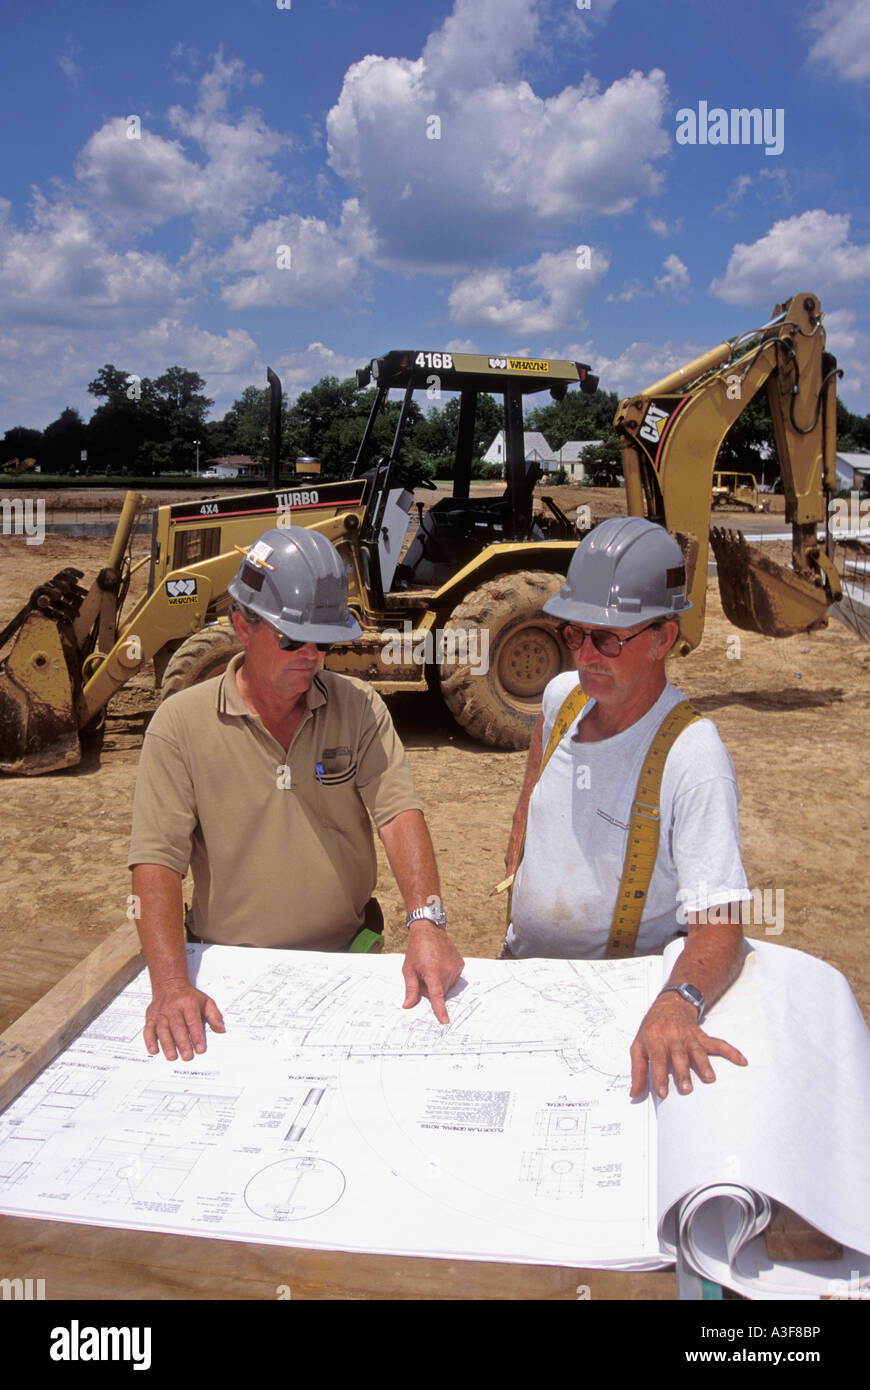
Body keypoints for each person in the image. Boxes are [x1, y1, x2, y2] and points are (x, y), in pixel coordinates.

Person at [128, 525, 463, 1062]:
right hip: (225, 967)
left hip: (345, 956)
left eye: (325, 640)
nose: (312, 655)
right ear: (242, 624)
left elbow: (398, 814)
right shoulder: (180, 724)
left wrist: (427, 922)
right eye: (292, 639)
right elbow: (156, 861)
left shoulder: (359, 709)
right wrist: (169, 984)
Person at [503, 517, 750, 1101]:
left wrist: (680, 1000)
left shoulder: (692, 757)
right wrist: (519, 860)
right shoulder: (563, 697)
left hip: (614, 1008)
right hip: (521, 976)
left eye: (608, 638)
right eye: (575, 634)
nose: (586, 655)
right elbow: (533, 788)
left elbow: (722, 926)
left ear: (664, 638)